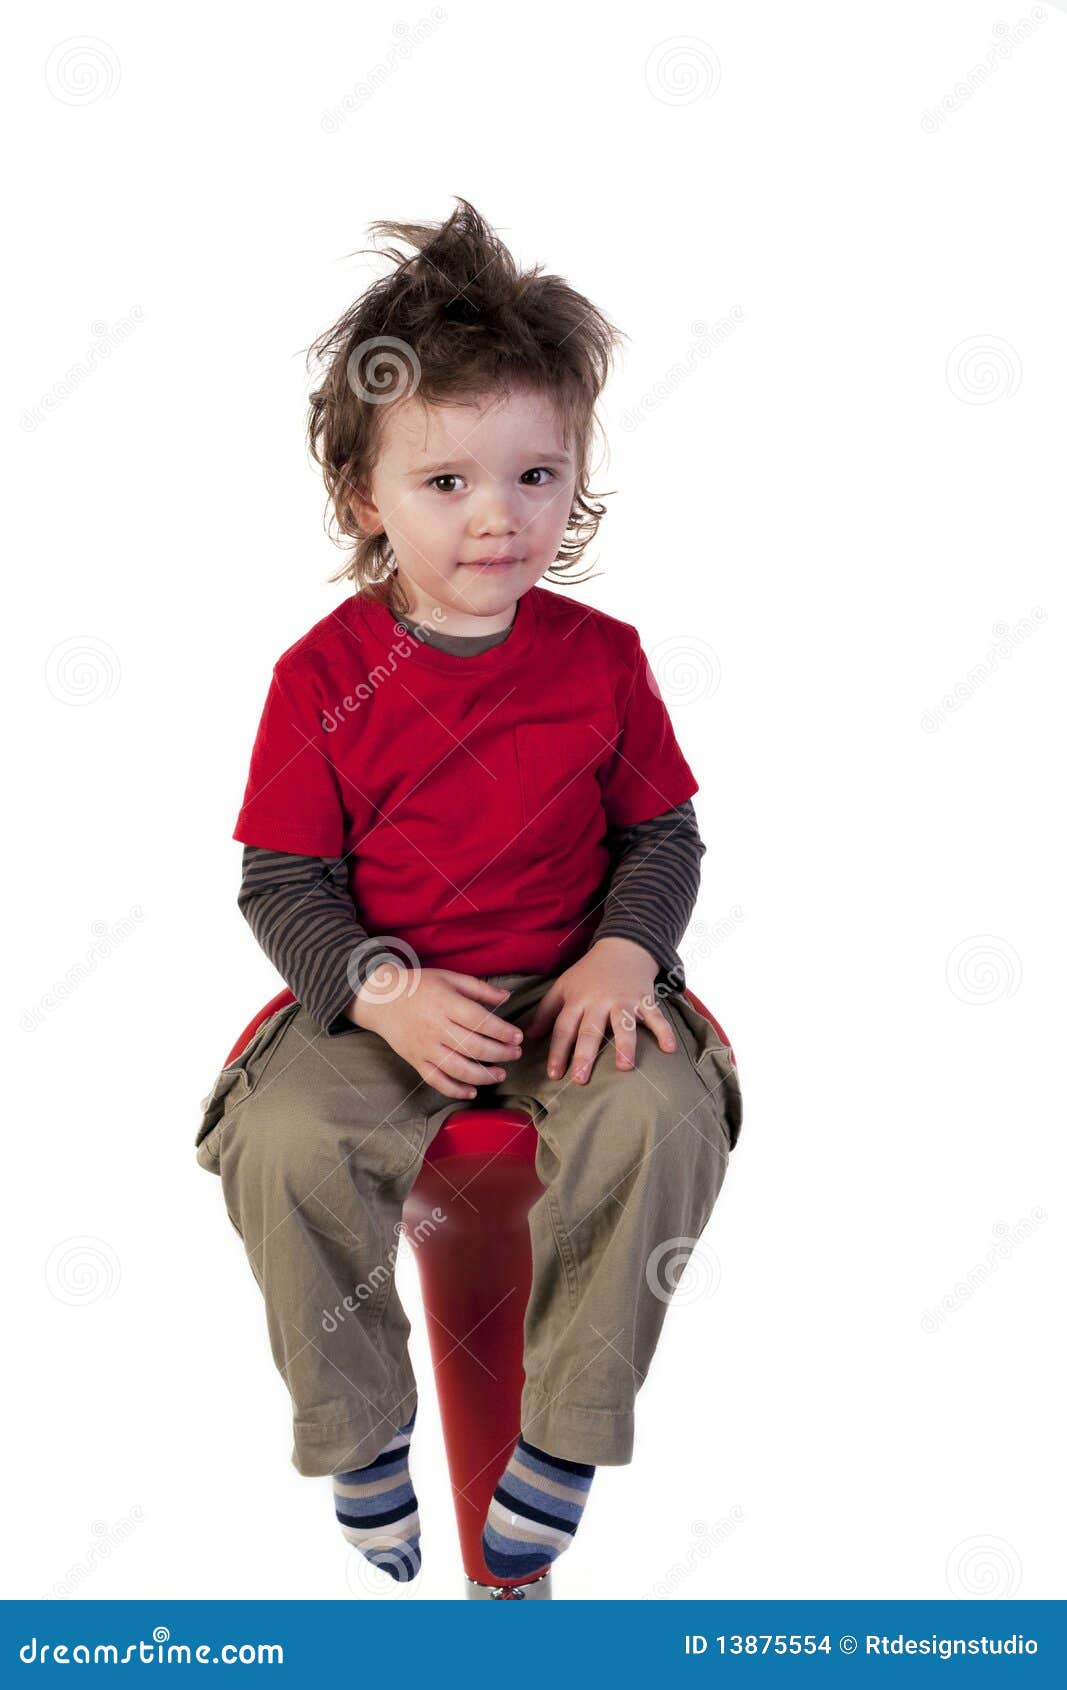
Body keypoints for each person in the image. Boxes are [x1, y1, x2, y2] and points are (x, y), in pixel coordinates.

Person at [195, 198, 743, 1588]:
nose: (499, 515)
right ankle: (361, 1428)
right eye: (446, 481)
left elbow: (663, 835)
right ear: (362, 499)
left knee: (665, 1113)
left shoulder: (601, 658)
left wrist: (625, 955)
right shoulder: (322, 678)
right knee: (285, 1141)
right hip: (384, 1007)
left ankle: (563, 1435)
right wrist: (380, 988)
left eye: (536, 474)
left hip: (570, 994)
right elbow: (283, 879)